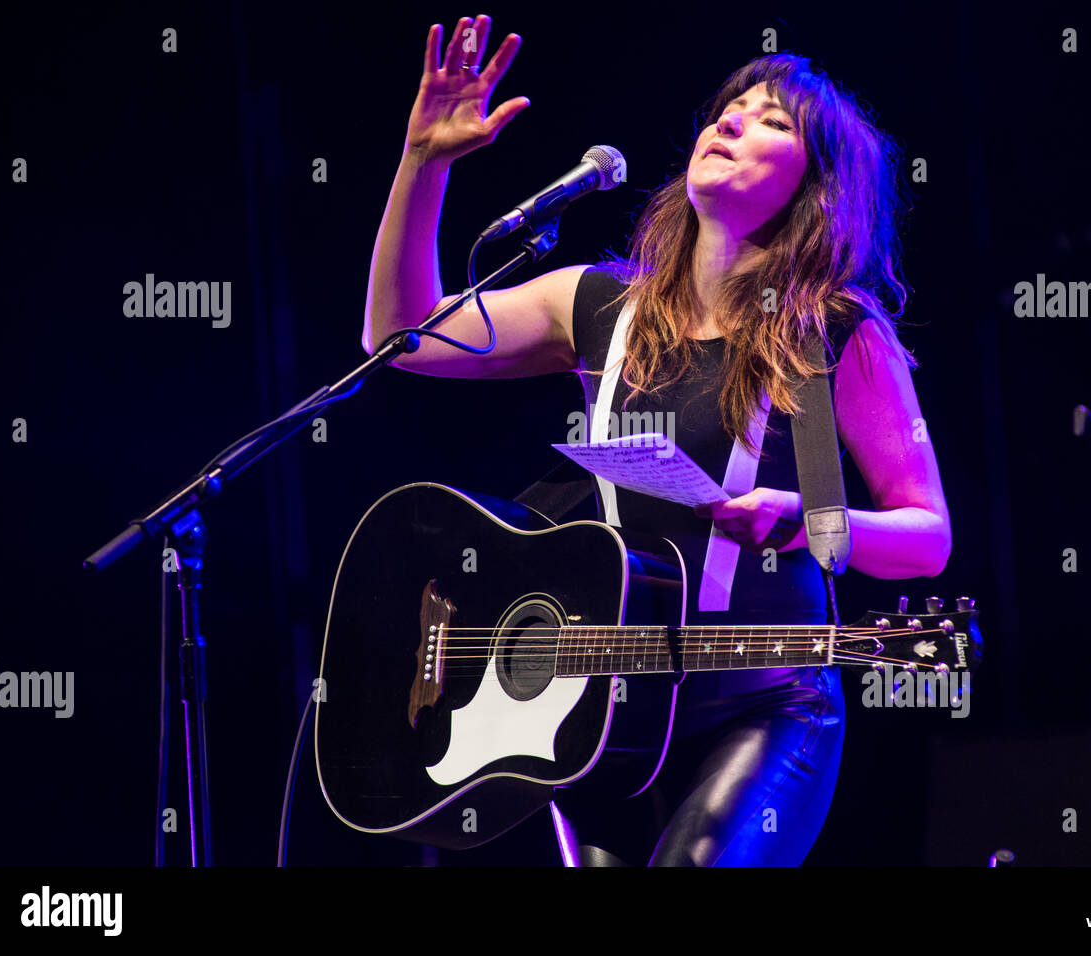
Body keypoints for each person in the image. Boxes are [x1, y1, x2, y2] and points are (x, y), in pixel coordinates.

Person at [363, 15, 951, 865]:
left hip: (767, 700)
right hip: (610, 708)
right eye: (730, 108)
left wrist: (809, 515)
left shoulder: (835, 332)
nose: (733, 121)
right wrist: (424, 163)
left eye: (774, 121)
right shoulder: (597, 302)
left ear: (815, 186)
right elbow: (399, 331)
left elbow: (927, 536)